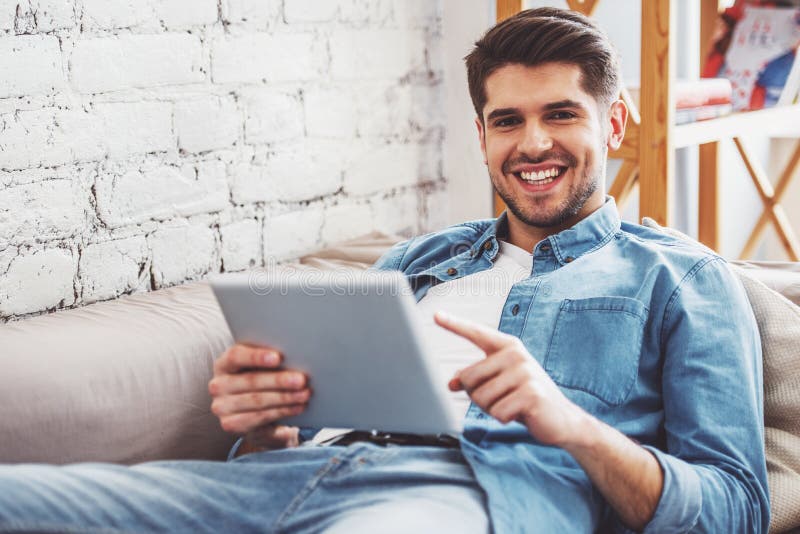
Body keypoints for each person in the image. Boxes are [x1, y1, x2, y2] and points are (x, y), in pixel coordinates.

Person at [0, 7, 769, 533]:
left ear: (615, 121)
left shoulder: (682, 279)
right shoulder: (416, 261)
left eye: (560, 114)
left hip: (473, 492)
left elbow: (736, 506)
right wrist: (268, 429)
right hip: (285, 481)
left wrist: (568, 425)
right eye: (508, 121)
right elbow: (289, 439)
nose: (533, 144)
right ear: (480, 135)